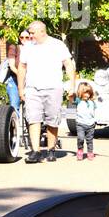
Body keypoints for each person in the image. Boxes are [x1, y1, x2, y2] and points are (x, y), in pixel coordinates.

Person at [17, 20, 76, 163]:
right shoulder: (27, 47)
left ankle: (51, 150)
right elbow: (22, 68)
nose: (29, 36)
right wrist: (21, 88)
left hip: (53, 87)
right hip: (32, 88)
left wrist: (72, 85)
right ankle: (35, 151)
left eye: (32, 33)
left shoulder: (57, 45)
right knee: (33, 119)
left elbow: (68, 64)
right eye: (29, 33)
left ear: (42, 32)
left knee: (52, 120)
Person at [0, 32, 28, 112]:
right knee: (14, 106)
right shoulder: (14, 48)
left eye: (27, 37)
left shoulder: (35, 49)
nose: (24, 39)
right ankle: (15, 123)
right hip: (14, 80)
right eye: (22, 37)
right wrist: (21, 76)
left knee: (30, 107)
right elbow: (12, 66)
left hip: (30, 81)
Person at [74, 81, 98, 161]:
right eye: (85, 93)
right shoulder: (78, 100)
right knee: (80, 138)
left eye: (88, 93)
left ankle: (90, 152)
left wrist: (95, 120)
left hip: (90, 124)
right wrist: (71, 93)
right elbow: (71, 99)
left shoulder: (92, 102)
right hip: (80, 124)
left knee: (89, 140)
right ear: (80, 93)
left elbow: (95, 111)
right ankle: (80, 150)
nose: (87, 95)